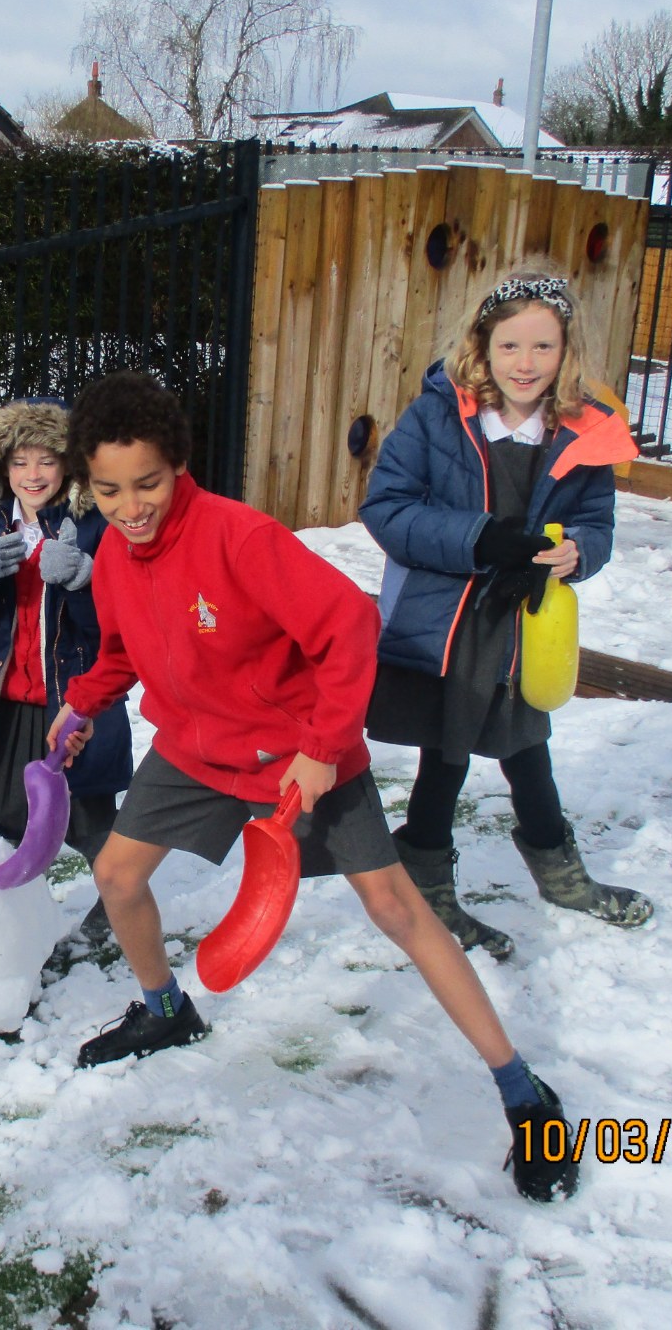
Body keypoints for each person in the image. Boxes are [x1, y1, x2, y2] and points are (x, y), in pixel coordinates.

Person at [48, 370, 579, 1203]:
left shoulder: (239, 538)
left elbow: (347, 626)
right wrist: (83, 702)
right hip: (193, 749)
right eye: (109, 489)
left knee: (397, 908)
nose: (129, 506)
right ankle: (162, 1009)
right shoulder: (115, 549)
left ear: (179, 466)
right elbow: (123, 646)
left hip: (296, 751)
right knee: (116, 874)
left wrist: (325, 746)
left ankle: (522, 1092)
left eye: (146, 484)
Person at [360, 268, 654, 962]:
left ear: (566, 351)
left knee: (524, 739)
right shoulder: (437, 415)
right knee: (450, 743)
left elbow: (595, 521)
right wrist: (478, 538)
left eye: (543, 348)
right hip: (448, 614)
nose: (526, 364)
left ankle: (545, 874)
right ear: (482, 347)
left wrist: (580, 552)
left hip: (523, 616)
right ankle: (444, 879)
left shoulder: (581, 430)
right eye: (510, 347)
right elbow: (387, 509)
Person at [0, 399, 130, 942]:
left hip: (69, 697)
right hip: (1, 703)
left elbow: (112, 632)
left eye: (46, 461)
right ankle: (6, 927)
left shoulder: (92, 525)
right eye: (21, 462)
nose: (33, 475)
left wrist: (81, 582)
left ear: (67, 466)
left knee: (91, 824)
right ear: (3, 467)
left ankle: (119, 905)